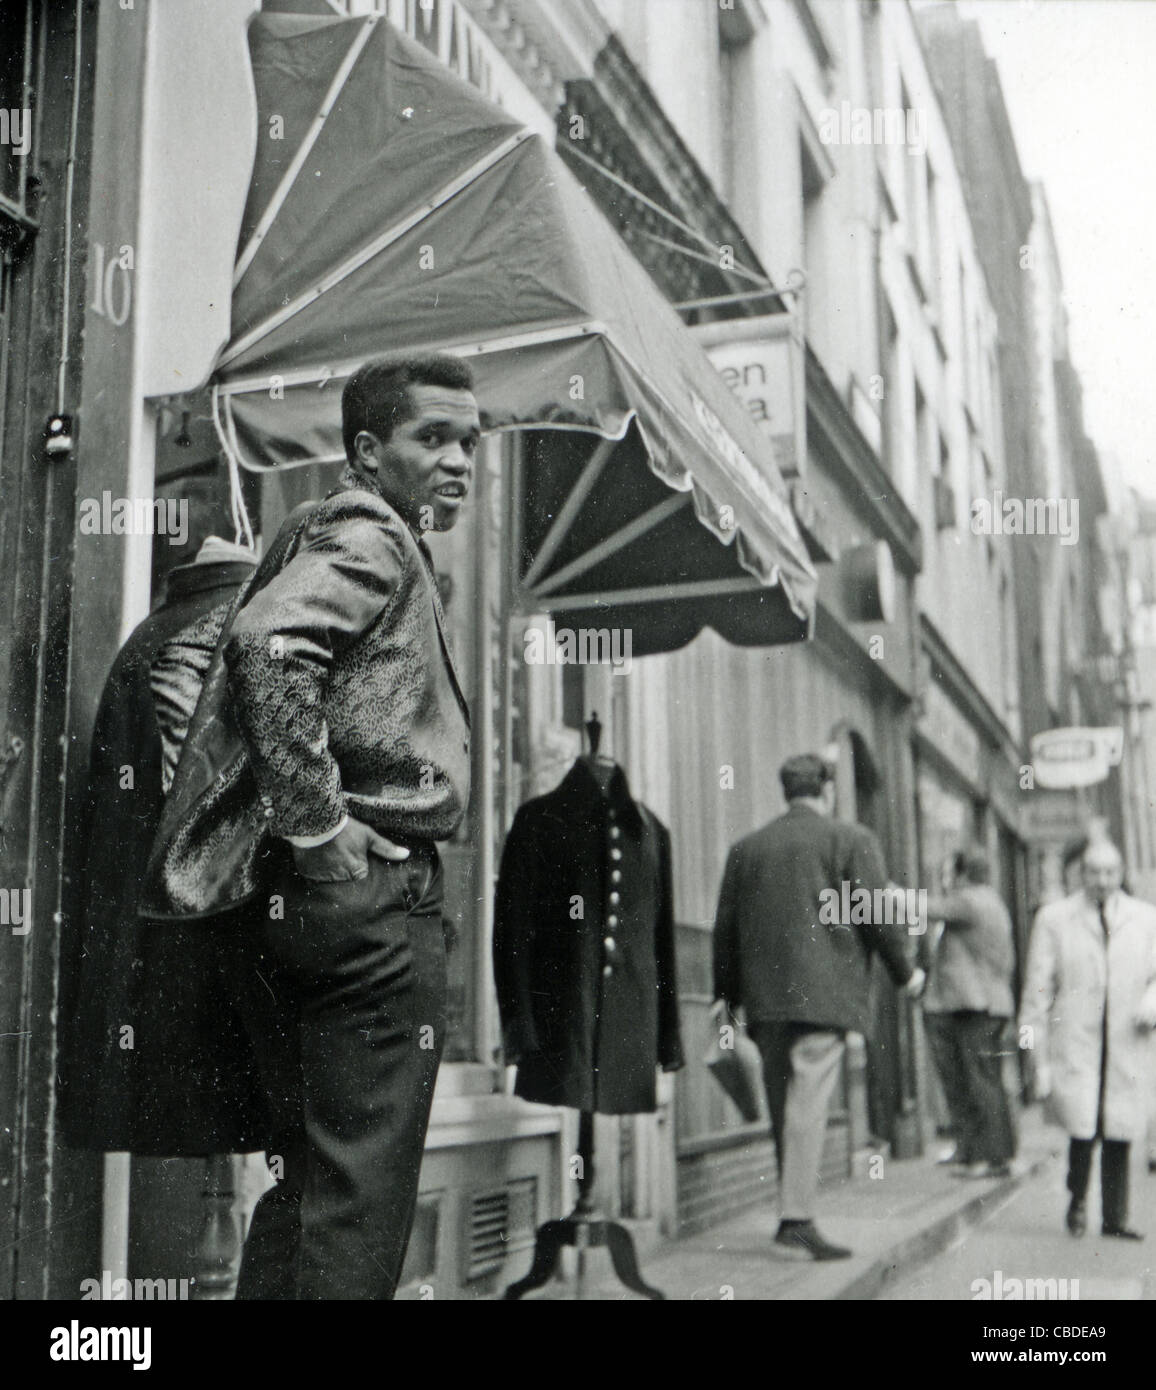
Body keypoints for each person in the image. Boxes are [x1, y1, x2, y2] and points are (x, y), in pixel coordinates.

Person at [153, 354, 478, 1299]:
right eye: (433, 438)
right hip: (364, 903)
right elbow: (267, 644)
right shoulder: (371, 532)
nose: (458, 458)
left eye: (469, 440)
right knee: (358, 1208)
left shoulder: (323, 527)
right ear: (368, 450)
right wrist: (318, 822)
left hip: (313, 910)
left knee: (313, 1193)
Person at [712, 753, 924, 1261]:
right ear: (826, 790)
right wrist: (906, 972)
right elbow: (874, 912)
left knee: (785, 1107)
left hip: (765, 1004)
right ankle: (798, 1219)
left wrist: (730, 999)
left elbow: (725, 930)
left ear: (787, 791)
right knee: (806, 1107)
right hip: (823, 998)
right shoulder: (850, 840)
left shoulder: (746, 848)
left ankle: (793, 1214)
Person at [1020, 837, 1156, 1239]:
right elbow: (1036, 991)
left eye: (1110, 872)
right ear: (1081, 874)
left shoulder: (1146, 919)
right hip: (1076, 1041)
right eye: (1094, 872)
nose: (1102, 880)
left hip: (1126, 1039)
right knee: (1083, 1130)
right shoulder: (1055, 919)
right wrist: (1037, 1059)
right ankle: (1077, 1201)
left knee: (1119, 1131)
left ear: (1121, 874)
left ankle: (1115, 1218)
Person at [920, 847, 1017, 1180]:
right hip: (980, 1003)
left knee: (976, 1080)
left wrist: (882, 891)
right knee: (978, 1078)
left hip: (975, 1005)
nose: (947, 880)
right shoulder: (990, 900)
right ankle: (978, 1153)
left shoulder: (970, 901)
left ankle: (987, 1158)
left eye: (949, 872)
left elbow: (924, 908)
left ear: (962, 873)